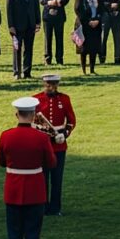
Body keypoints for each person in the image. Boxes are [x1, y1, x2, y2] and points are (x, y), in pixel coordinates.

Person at [0, 97, 58, 239]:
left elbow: (1, 161)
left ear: (17, 114)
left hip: (13, 190)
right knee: (32, 235)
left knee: (14, 235)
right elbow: (51, 163)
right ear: (33, 115)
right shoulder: (40, 138)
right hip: (35, 191)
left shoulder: (6, 136)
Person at [34, 73, 76, 215]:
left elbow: (71, 120)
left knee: (57, 178)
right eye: (48, 85)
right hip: (42, 144)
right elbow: (34, 122)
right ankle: (43, 207)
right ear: (44, 84)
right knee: (43, 177)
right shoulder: (36, 99)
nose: (50, 88)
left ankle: (55, 208)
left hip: (59, 144)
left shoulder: (64, 99)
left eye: (53, 85)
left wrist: (64, 134)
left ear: (57, 85)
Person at [7, 0, 42, 79]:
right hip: (17, 25)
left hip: (30, 24)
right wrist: (11, 25)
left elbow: (36, 6)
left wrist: (38, 22)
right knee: (17, 48)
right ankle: (17, 72)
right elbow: (9, 8)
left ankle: (27, 72)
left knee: (29, 49)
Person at [37, 0, 68, 69]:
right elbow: (41, 0)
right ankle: (47, 58)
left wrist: (60, 1)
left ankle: (60, 59)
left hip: (59, 15)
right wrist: (49, 2)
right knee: (47, 38)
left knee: (59, 38)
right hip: (47, 16)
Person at [73, 0, 102, 75]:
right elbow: (78, 10)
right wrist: (88, 21)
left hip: (95, 27)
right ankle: (84, 70)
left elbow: (102, 9)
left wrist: (97, 20)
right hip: (84, 26)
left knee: (93, 48)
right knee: (84, 49)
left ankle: (92, 70)